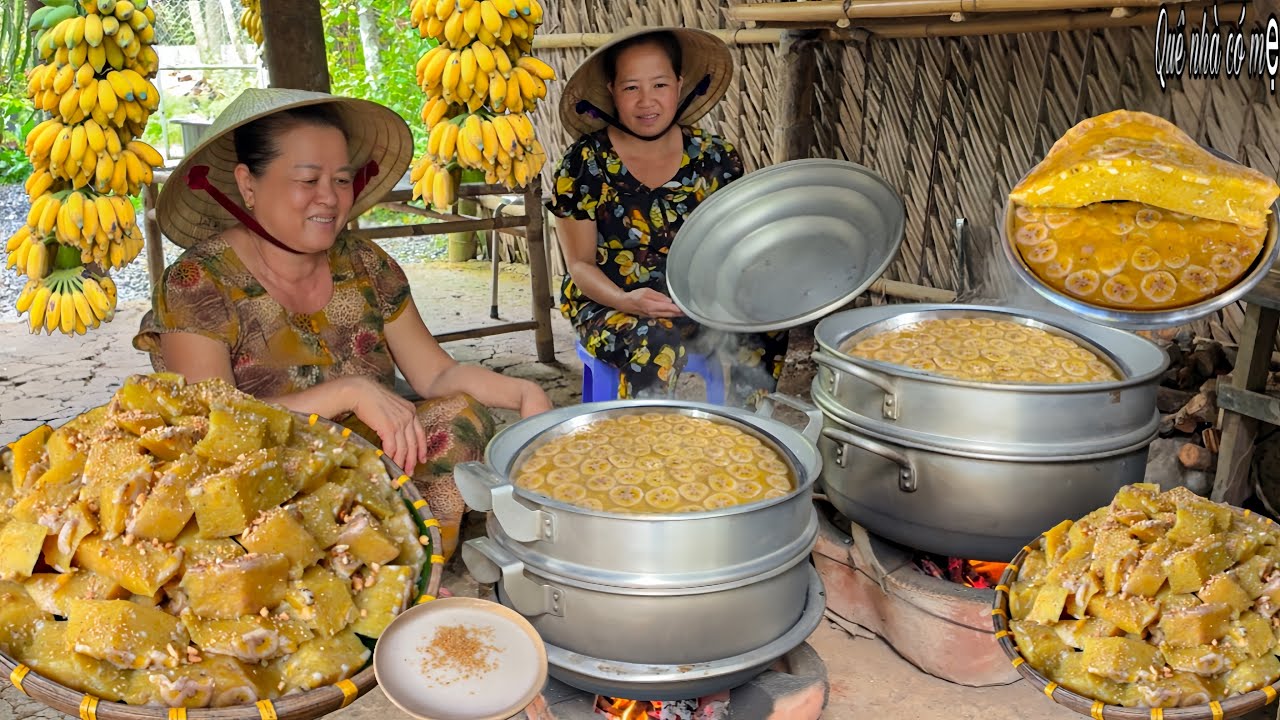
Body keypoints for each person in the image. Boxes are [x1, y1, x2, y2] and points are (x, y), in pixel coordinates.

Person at [134, 88, 552, 560]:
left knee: (460, 418)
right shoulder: (198, 281)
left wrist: (523, 393)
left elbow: (436, 374)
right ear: (248, 185)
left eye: (341, 179)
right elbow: (208, 424)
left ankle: (417, 561)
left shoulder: (365, 263)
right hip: (265, 483)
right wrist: (347, 392)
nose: (330, 198)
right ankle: (364, 565)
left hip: (371, 466)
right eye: (308, 179)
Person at [549, 26, 789, 407]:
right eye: (631, 87)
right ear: (612, 90)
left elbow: (732, 247)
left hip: (697, 304)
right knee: (656, 343)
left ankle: (746, 424)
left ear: (679, 84)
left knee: (769, 318)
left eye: (659, 85)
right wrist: (626, 300)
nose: (647, 101)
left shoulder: (714, 157)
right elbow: (579, 265)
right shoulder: (585, 163)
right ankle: (646, 440)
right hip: (610, 304)